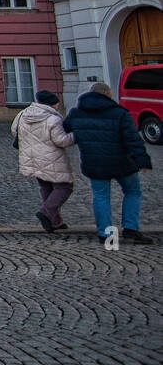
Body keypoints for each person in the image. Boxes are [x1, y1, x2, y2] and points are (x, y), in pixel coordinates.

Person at [63, 82, 154, 244]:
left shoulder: (76, 113)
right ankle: (131, 229)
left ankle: (106, 234)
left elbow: (66, 128)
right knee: (133, 192)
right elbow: (133, 140)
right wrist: (143, 161)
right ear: (109, 95)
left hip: (94, 162)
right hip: (122, 163)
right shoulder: (120, 113)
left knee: (101, 196)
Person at [11, 90, 76, 234]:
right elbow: (61, 140)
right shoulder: (53, 119)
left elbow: (15, 131)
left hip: (31, 157)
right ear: (52, 104)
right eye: (57, 103)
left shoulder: (23, 114)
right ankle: (46, 212)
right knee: (64, 187)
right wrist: (75, 136)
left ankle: (55, 221)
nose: (58, 106)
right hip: (52, 158)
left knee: (46, 187)